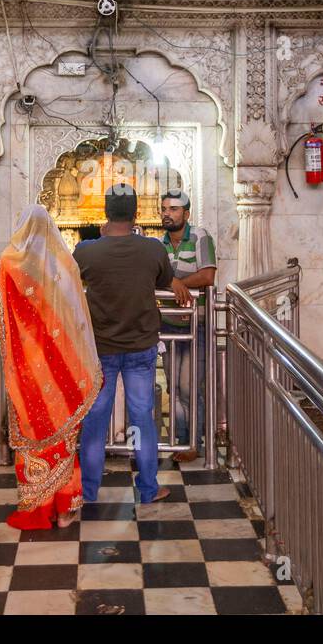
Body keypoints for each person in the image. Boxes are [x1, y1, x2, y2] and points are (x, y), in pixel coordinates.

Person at [74, 184, 189, 504]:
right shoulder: (153, 249)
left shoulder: (86, 252)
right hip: (140, 348)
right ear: (136, 213)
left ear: (106, 213)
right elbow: (165, 279)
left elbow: (68, 280)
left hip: (101, 350)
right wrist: (176, 282)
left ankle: (88, 491)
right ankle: (149, 489)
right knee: (142, 417)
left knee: (96, 420)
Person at [0, 205, 100, 529]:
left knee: (34, 431)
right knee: (63, 436)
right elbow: (76, 318)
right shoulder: (61, 263)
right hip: (62, 365)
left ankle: (37, 505)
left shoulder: (6, 263)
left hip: (26, 366)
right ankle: (66, 509)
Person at [159, 189, 217, 462]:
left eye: (173, 209)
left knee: (190, 385)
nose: (167, 214)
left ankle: (195, 442)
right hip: (169, 324)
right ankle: (181, 440)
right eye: (164, 209)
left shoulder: (200, 237)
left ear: (186, 213)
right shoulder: (159, 245)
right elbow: (157, 279)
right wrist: (173, 283)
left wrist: (177, 282)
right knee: (173, 385)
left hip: (197, 322)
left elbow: (207, 275)